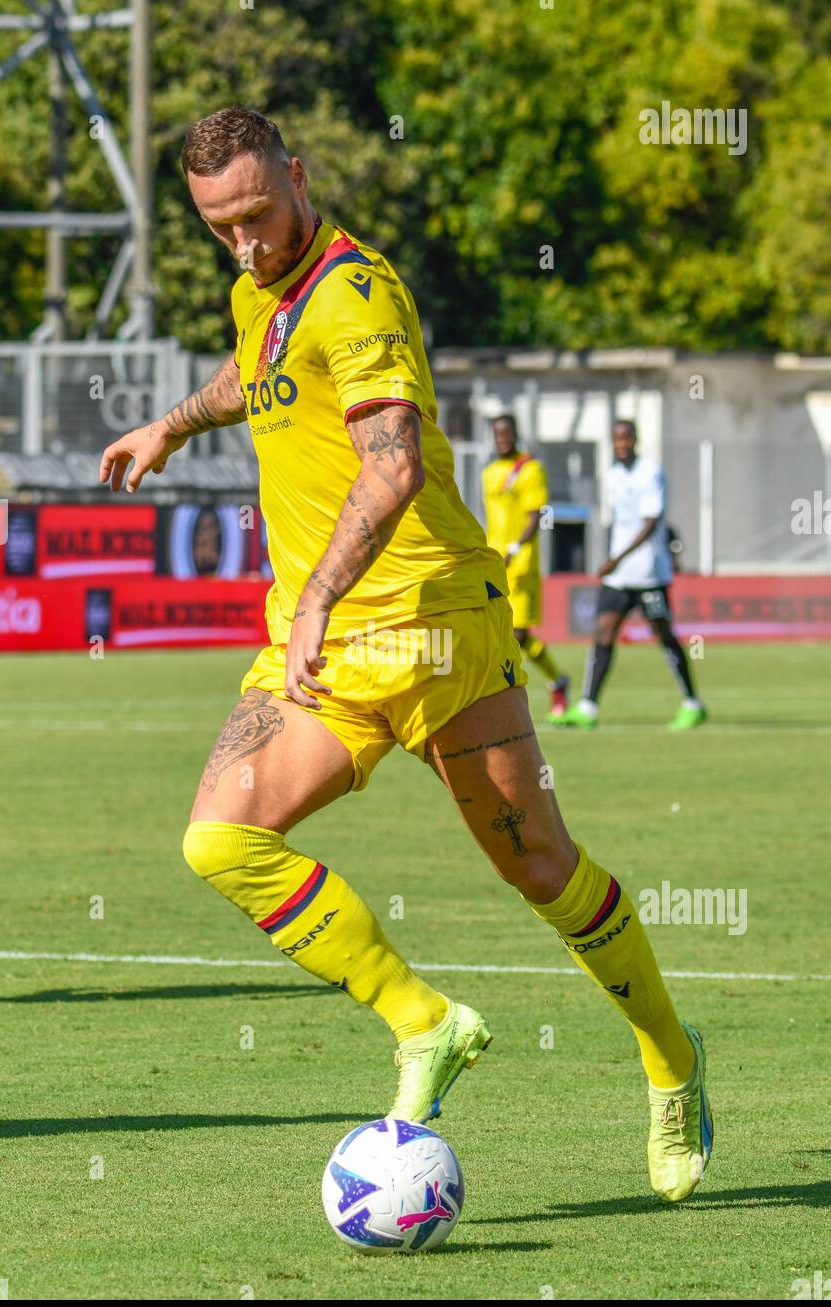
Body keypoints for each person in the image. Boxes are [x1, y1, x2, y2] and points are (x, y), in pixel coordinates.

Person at [98, 107, 712, 1204]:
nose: (243, 243)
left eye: (256, 214)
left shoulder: (358, 290)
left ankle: (667, 1054)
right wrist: (173, 426)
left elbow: (386, 468)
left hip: (431, 625)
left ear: (297, 173)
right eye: (217, 227)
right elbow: (262, 375)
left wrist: (322, 595)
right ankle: (424, 1023)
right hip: (323, 644)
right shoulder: (259, 291)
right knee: (220, 840)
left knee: (538, 868)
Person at [551, 420, 707, 730]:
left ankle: (692, 704)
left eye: (626, 438)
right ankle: (588, 707)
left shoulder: (650, 472)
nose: (621, 443)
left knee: (663, 635)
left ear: (635, 440)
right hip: (618, 577)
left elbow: (650, 523)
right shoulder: (612, 474)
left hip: (648, 572)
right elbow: (617, 523)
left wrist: (615, 558)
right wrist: (611, 559)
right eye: (616, 439)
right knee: (603, 632)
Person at [481, 415, 569, 715]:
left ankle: (554, 681)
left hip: (520, 564)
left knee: (518, 634)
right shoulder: (490, 472)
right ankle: (551, 682)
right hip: (493, 561)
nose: (502, 438)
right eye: (497, 433)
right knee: (491, 630)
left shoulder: (530, 469)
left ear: (516, 434)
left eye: (507, 432)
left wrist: (515, 548)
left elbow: (537, 516)